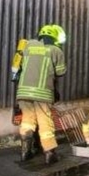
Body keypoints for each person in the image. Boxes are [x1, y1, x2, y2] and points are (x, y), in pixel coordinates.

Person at [16, 24, 67, 164]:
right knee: (45, 121)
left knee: (27, 121)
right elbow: (61, 72)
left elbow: (19, 65)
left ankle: (25, 152)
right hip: (43, 93)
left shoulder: (28, 45)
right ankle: (50, 153)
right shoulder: (56, 50)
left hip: (23, 91)